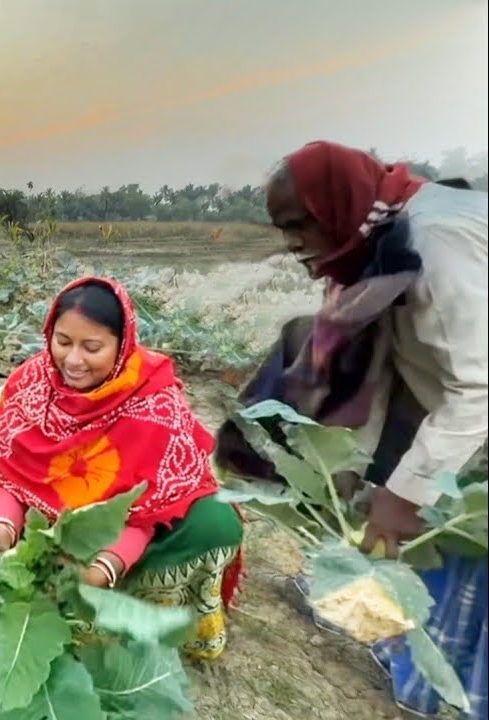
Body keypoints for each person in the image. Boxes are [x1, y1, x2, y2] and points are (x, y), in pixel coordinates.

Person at [215, 141, 487, 719]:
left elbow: (478, 388)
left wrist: (403, 492)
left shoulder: (435, 249)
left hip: (473, 406)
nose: (291, 243)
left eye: (298, 225)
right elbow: (379, 367)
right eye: (282, 228)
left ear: (336, 206)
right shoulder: (372, 247)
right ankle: (407, 660)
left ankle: (446, 692)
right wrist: (350, 469)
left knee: (460, 537)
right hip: (450, 409)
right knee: (412, 527)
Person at [0, 276, 245, 660]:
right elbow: (10, 471)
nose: (73, 361)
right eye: (62, 342)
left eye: (92, 347)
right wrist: (3, 527)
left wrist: (103, 567)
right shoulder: (33, 383)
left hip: (119, 535)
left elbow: (146, 512)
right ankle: (17, 559)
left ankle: (137, 609)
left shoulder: (154, 406)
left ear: (121, 345)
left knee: (216, 523)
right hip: (43, 518)